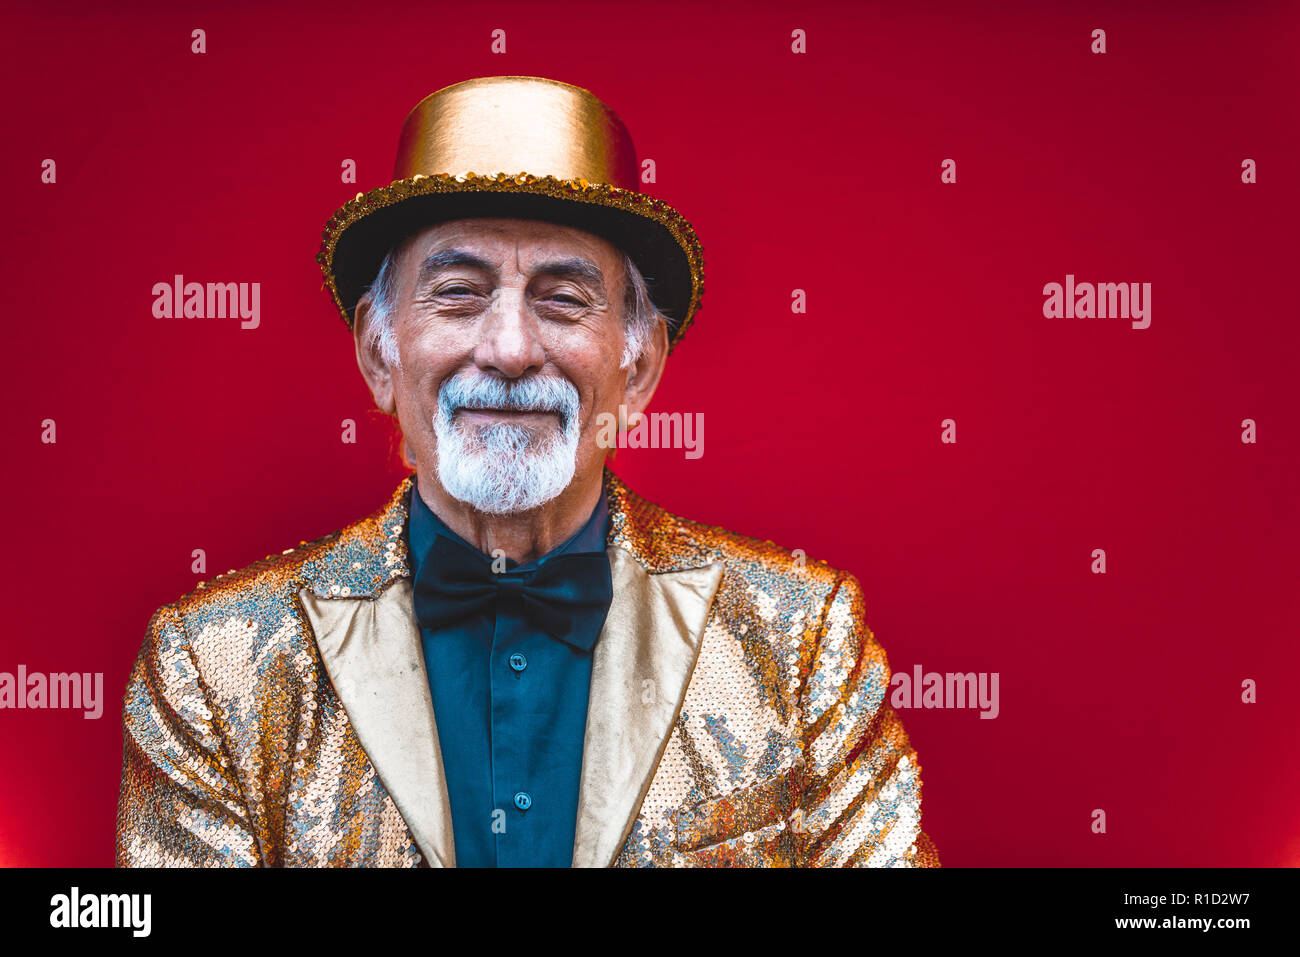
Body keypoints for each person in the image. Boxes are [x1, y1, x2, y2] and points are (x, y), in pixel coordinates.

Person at [115, 75, 940, 867]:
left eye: (563, 298)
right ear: (379, 352)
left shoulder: (800, 641)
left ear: (640, 365)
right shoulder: (211, 664)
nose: (509, 349)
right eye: (459, 292)